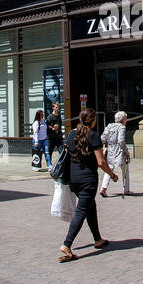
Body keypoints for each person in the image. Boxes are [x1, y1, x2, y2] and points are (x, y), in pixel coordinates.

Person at [58, 108, 118, 262]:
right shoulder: (93, 136)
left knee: (91, 206)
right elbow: (100, 162)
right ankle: (67, 245)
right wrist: (112, 175)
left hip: (73, 180)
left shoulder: (71, 134)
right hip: (88, 181)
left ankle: (98, 239)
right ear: (92, 121)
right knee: (81, 211)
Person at [99, 111, 131, 197]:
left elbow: (102, 138)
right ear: (123, 119)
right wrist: (126, 151)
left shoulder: (109, 126)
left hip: (110, 151)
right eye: (126, 119)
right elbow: (121, 141)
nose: (126, 120)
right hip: (119, 151)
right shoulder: (122, 127)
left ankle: (103, 188)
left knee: (109, 169)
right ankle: (126, 189)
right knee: (125, 169)